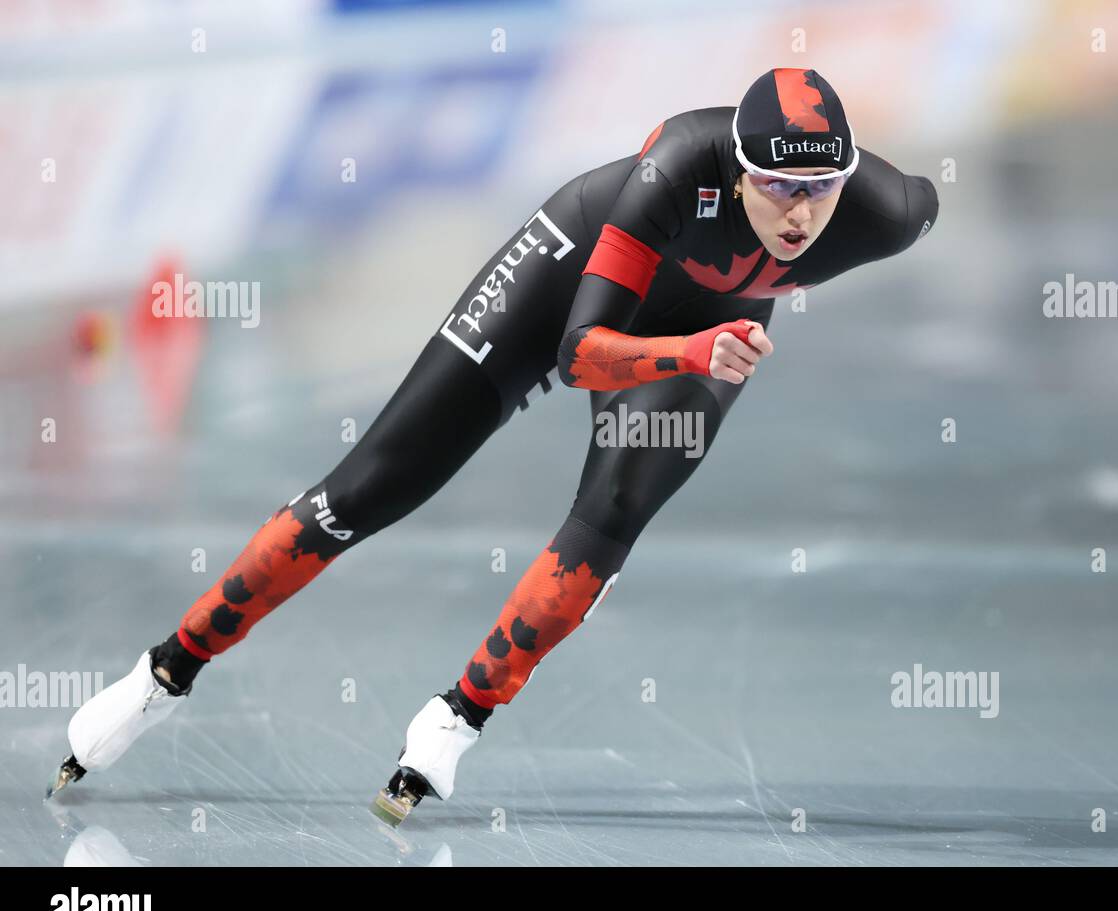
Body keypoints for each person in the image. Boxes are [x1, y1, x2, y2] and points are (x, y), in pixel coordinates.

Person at [50, 68, 939, 824]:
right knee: (372, 484)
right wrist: (694, 351)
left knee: (613, 519)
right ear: (737, 171)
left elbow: (920, 198)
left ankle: (455, 719)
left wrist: (702, 348)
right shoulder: (673, 172)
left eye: (821, 187)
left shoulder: (889, 212)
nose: (800, 212)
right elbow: (581, 358)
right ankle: (166, 669)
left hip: (709, 330)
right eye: (778, 187)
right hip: (572, 283)